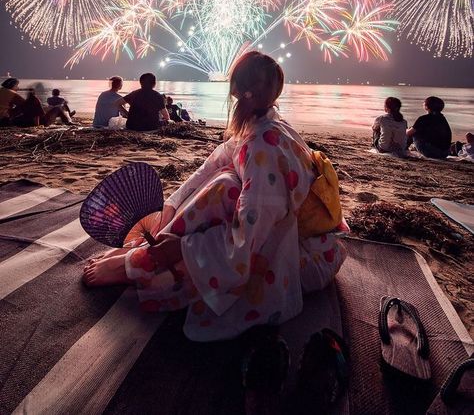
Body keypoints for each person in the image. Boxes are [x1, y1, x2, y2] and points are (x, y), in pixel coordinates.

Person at [83, 51, 346, 342]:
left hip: (304, 257)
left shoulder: (264, 146)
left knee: (225, 187)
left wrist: (181, 249)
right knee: (223, 178)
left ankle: (141, 266)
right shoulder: (263, 126)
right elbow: (211, 166)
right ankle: (149, 255)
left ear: (235, 89)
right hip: (280, 232)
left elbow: (244, 248)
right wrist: (170, 212)